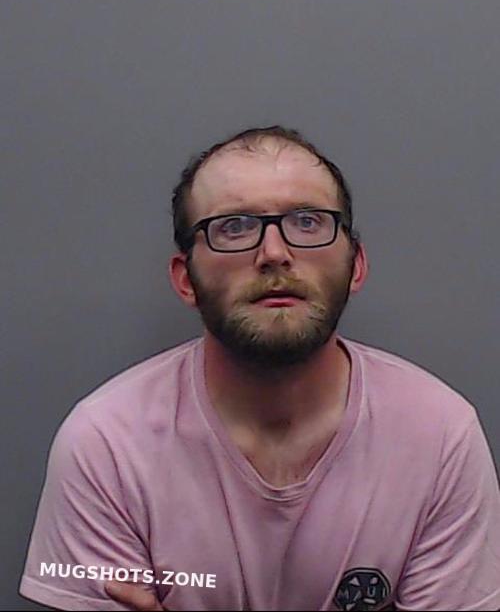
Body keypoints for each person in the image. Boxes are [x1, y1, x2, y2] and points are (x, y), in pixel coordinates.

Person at [19, 126, 500, 611]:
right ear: (186, 280)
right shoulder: (106, 444)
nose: (274, 254)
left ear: (355, 265)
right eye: (234, 227)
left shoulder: (440, 436)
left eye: (308, 222)